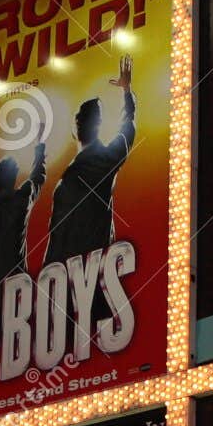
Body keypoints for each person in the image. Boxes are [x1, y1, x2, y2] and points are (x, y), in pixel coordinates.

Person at [46, 54, 135, 267]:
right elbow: (127, 127)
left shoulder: (98, 162)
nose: (79, 121)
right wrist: (126, 92)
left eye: (83, 117)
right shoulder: (102, 160)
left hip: (82, 275)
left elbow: (55, 241)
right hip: (82, 275)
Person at [0, 144, 47, 383]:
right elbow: (38, 176)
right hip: (18, 299)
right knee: (24, 367)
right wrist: (39, 149)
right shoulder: (21, 199)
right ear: (14, 179)